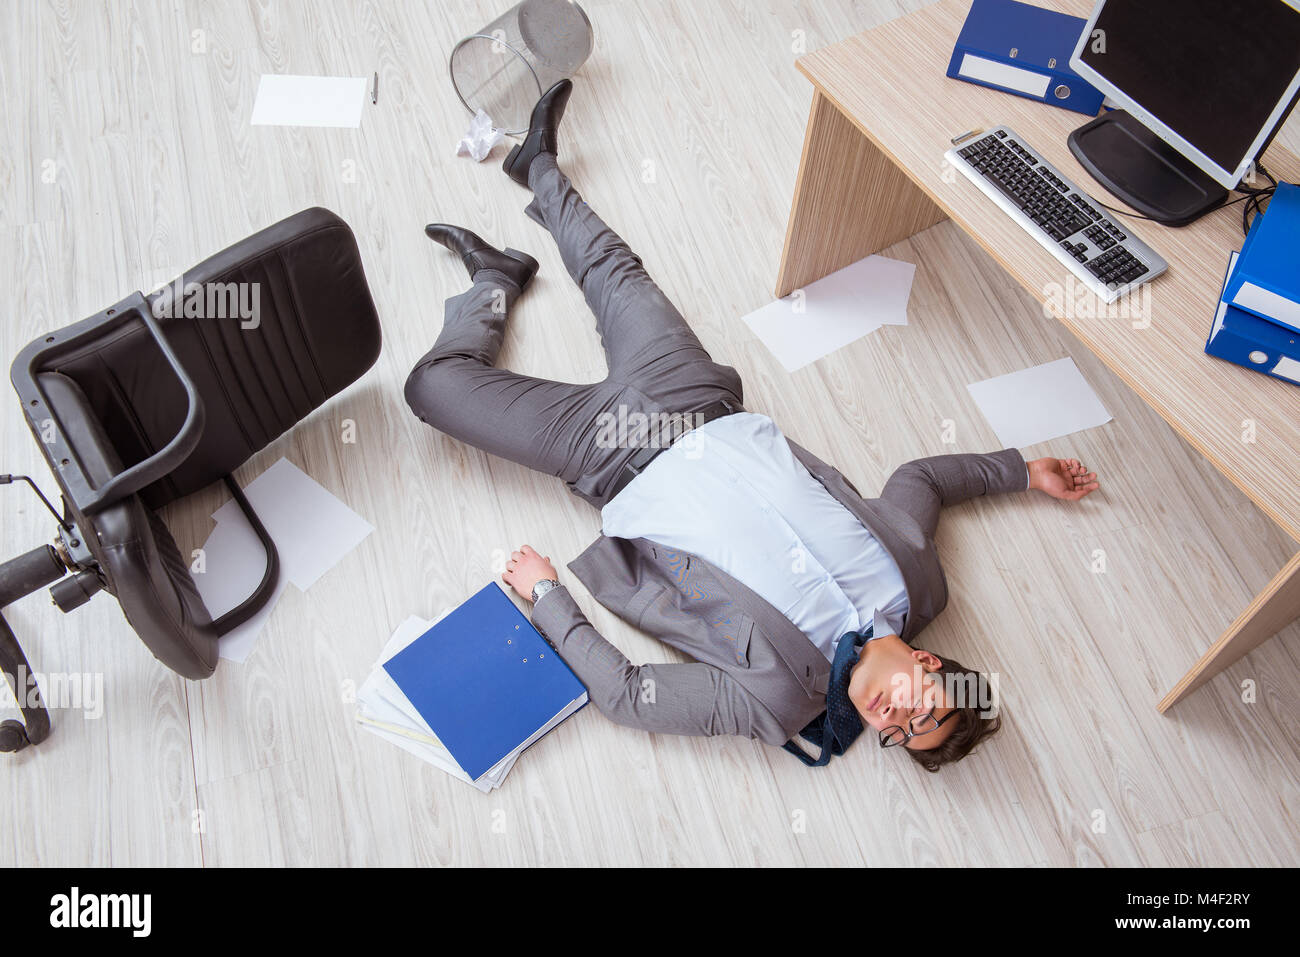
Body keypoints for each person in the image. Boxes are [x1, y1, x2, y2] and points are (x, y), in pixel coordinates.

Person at [404, 80, 1100, 771]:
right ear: (926, 662)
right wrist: (1020, 472)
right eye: (924, 706)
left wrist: (549, 596)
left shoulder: (778, 704)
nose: (893, 717)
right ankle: (538, 164)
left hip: (610, 455)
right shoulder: (914, 578)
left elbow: (629, 695)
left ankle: (490, 285)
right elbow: (921, 480)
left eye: (899, 734)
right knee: (613, 272)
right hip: (695, 398)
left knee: (433, 389)